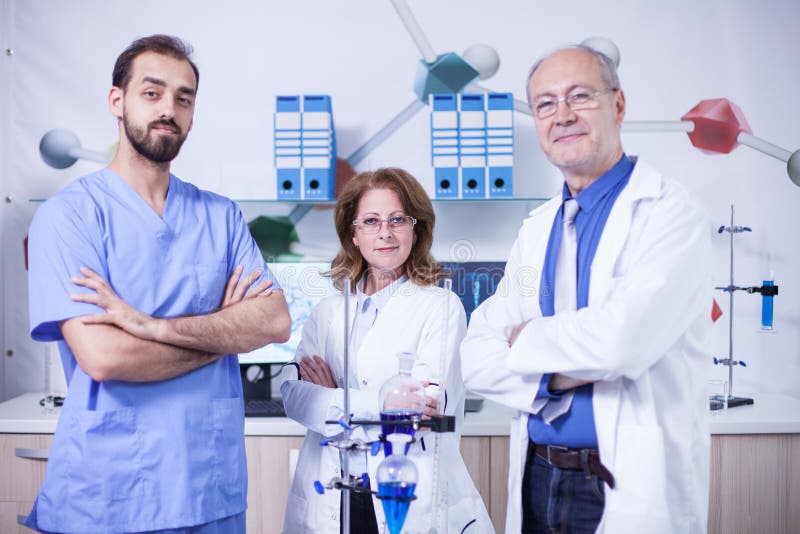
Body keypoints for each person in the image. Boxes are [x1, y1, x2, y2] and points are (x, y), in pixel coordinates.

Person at [25, 34, 291, 533]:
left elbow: (273, 321)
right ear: (116, 100)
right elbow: (105, 357)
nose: (169, 108)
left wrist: (147, 325)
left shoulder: (221, 216)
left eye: (183, 98)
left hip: (210, 491)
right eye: (152, 92)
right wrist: (221, 338)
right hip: (110, 494)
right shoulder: (69, 218)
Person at [460, 45, 712, 533]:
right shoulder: (536, 228)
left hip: (622, 482)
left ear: (618, 105)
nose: (563, 115)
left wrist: (525, 340)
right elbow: (476, 357)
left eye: (580, 96)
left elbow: (622, 341)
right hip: (538, 474)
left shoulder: (669, 212)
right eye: (546, 104)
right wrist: (563, 371)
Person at [280, 167, 492, 533]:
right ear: (354, 234)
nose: (385, 233)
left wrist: (331, 397)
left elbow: (417, 414)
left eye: (398, 219)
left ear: (416, 229)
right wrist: (382, 401)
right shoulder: (327, 312)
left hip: (407, 494)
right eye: (371, 221)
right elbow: (293, 398)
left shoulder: (441, 307)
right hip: (335, 496)